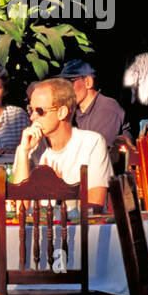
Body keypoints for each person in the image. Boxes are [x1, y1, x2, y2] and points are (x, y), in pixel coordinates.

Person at [12, 77, 112, 207]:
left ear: (62, 112)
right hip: (36, 226)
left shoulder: (92, 143)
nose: (32, 117)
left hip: (76, 226)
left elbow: (94, 206)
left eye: (40, 111)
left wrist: (60, 190)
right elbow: (20, 210)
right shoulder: (29, 147)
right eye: (30, 109)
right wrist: (22, 153)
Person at [60, 59, 129, 145]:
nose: (64, 89)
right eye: (62, 84)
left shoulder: (107, 108)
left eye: (69, 82)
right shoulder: (73, 111)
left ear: (88, 82)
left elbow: (95, 151)